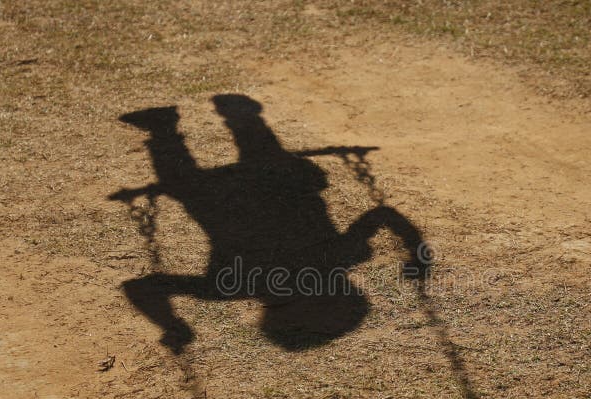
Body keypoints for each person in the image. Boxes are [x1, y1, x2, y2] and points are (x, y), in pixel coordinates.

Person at [110, 95, 429, 353]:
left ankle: (227, 118)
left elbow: (383, 215)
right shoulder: (236, 286)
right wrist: (171, 324)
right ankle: (167, 127)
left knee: (257, 175)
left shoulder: (338, 258)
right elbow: (144, 287)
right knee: (203, 188)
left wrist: (418, 253)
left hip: (257, 185)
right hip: (238, 192)